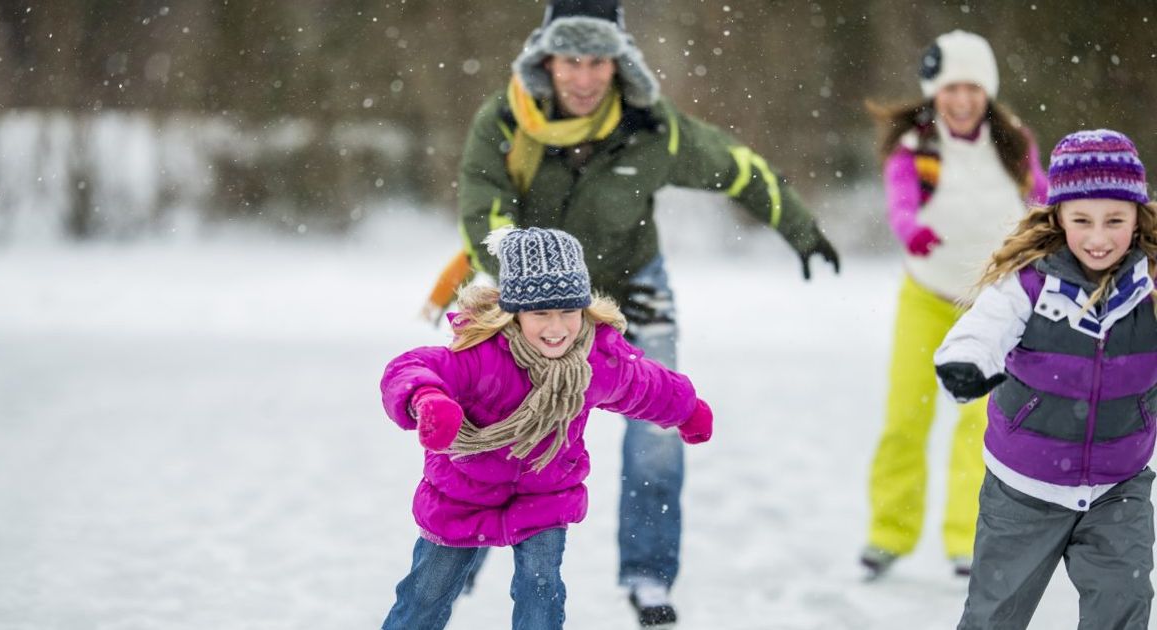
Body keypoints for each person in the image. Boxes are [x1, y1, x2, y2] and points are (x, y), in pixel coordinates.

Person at [454, 1, 838, 622]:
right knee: (496, 423)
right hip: (526, 300)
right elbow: (485, 216)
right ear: (545, 60)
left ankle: (648, 574)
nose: (583, 77)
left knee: (657, 432)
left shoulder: (652, 128)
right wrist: (529, 295)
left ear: (618, 62)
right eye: (570, 60)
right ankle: (463, 551)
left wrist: (798, 225)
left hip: (634, 291)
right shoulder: (503, 120)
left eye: (598, 61)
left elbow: (736, 166)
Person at [380, 226, 714, 630]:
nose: (557, 328)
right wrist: (427, 401)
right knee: (427, 593)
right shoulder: (481, 354)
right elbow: (412, 368)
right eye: (541, 312)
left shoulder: (591, 361)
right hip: (461, 493)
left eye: (568, 311)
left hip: (545, 494)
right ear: (514, 311)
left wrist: (688, 410)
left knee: (541, 588)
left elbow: (644, 385)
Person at [935, 129, 1156, 628]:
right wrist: (967, 363)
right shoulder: (1028, 283)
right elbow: (982, 328)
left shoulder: (1150, 287)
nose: (1099, 238)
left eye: (1115, 221)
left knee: (1122, 606)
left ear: (1137, 217)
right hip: (1023, 489)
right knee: (996, 615)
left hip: (1119, 487)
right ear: (1058, 216)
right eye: (1082, 220)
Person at [861, 30, 1048, 579]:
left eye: (972, 88)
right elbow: (900, 202)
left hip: (992, 303)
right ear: (934, 93)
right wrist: (911, 229)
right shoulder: (917, 149)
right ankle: (887, 534)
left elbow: (1042, 198)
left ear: (986, 92)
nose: (962, 100)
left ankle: (967, 539)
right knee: (905, 416)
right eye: (951, 89)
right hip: (927, 298)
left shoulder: (1013, 140)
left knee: (981, 423)